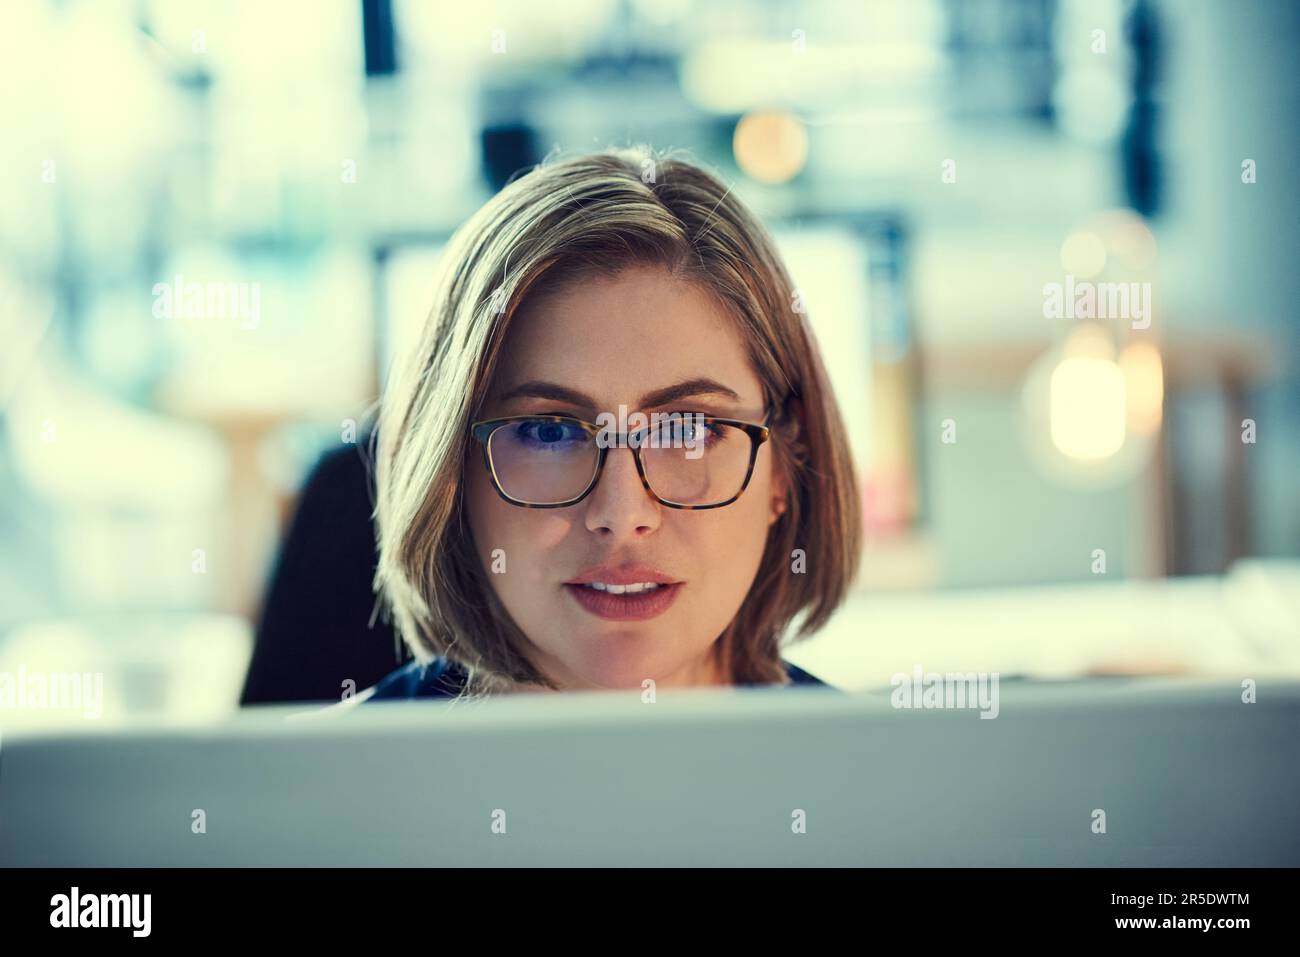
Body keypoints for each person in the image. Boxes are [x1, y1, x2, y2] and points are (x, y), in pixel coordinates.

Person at [362, 148, 861, 701]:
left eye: (687, 429)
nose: (622, 516)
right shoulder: (311, 787)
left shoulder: (893, 779)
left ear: (784, 471)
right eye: (550, 431)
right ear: (450, 473)